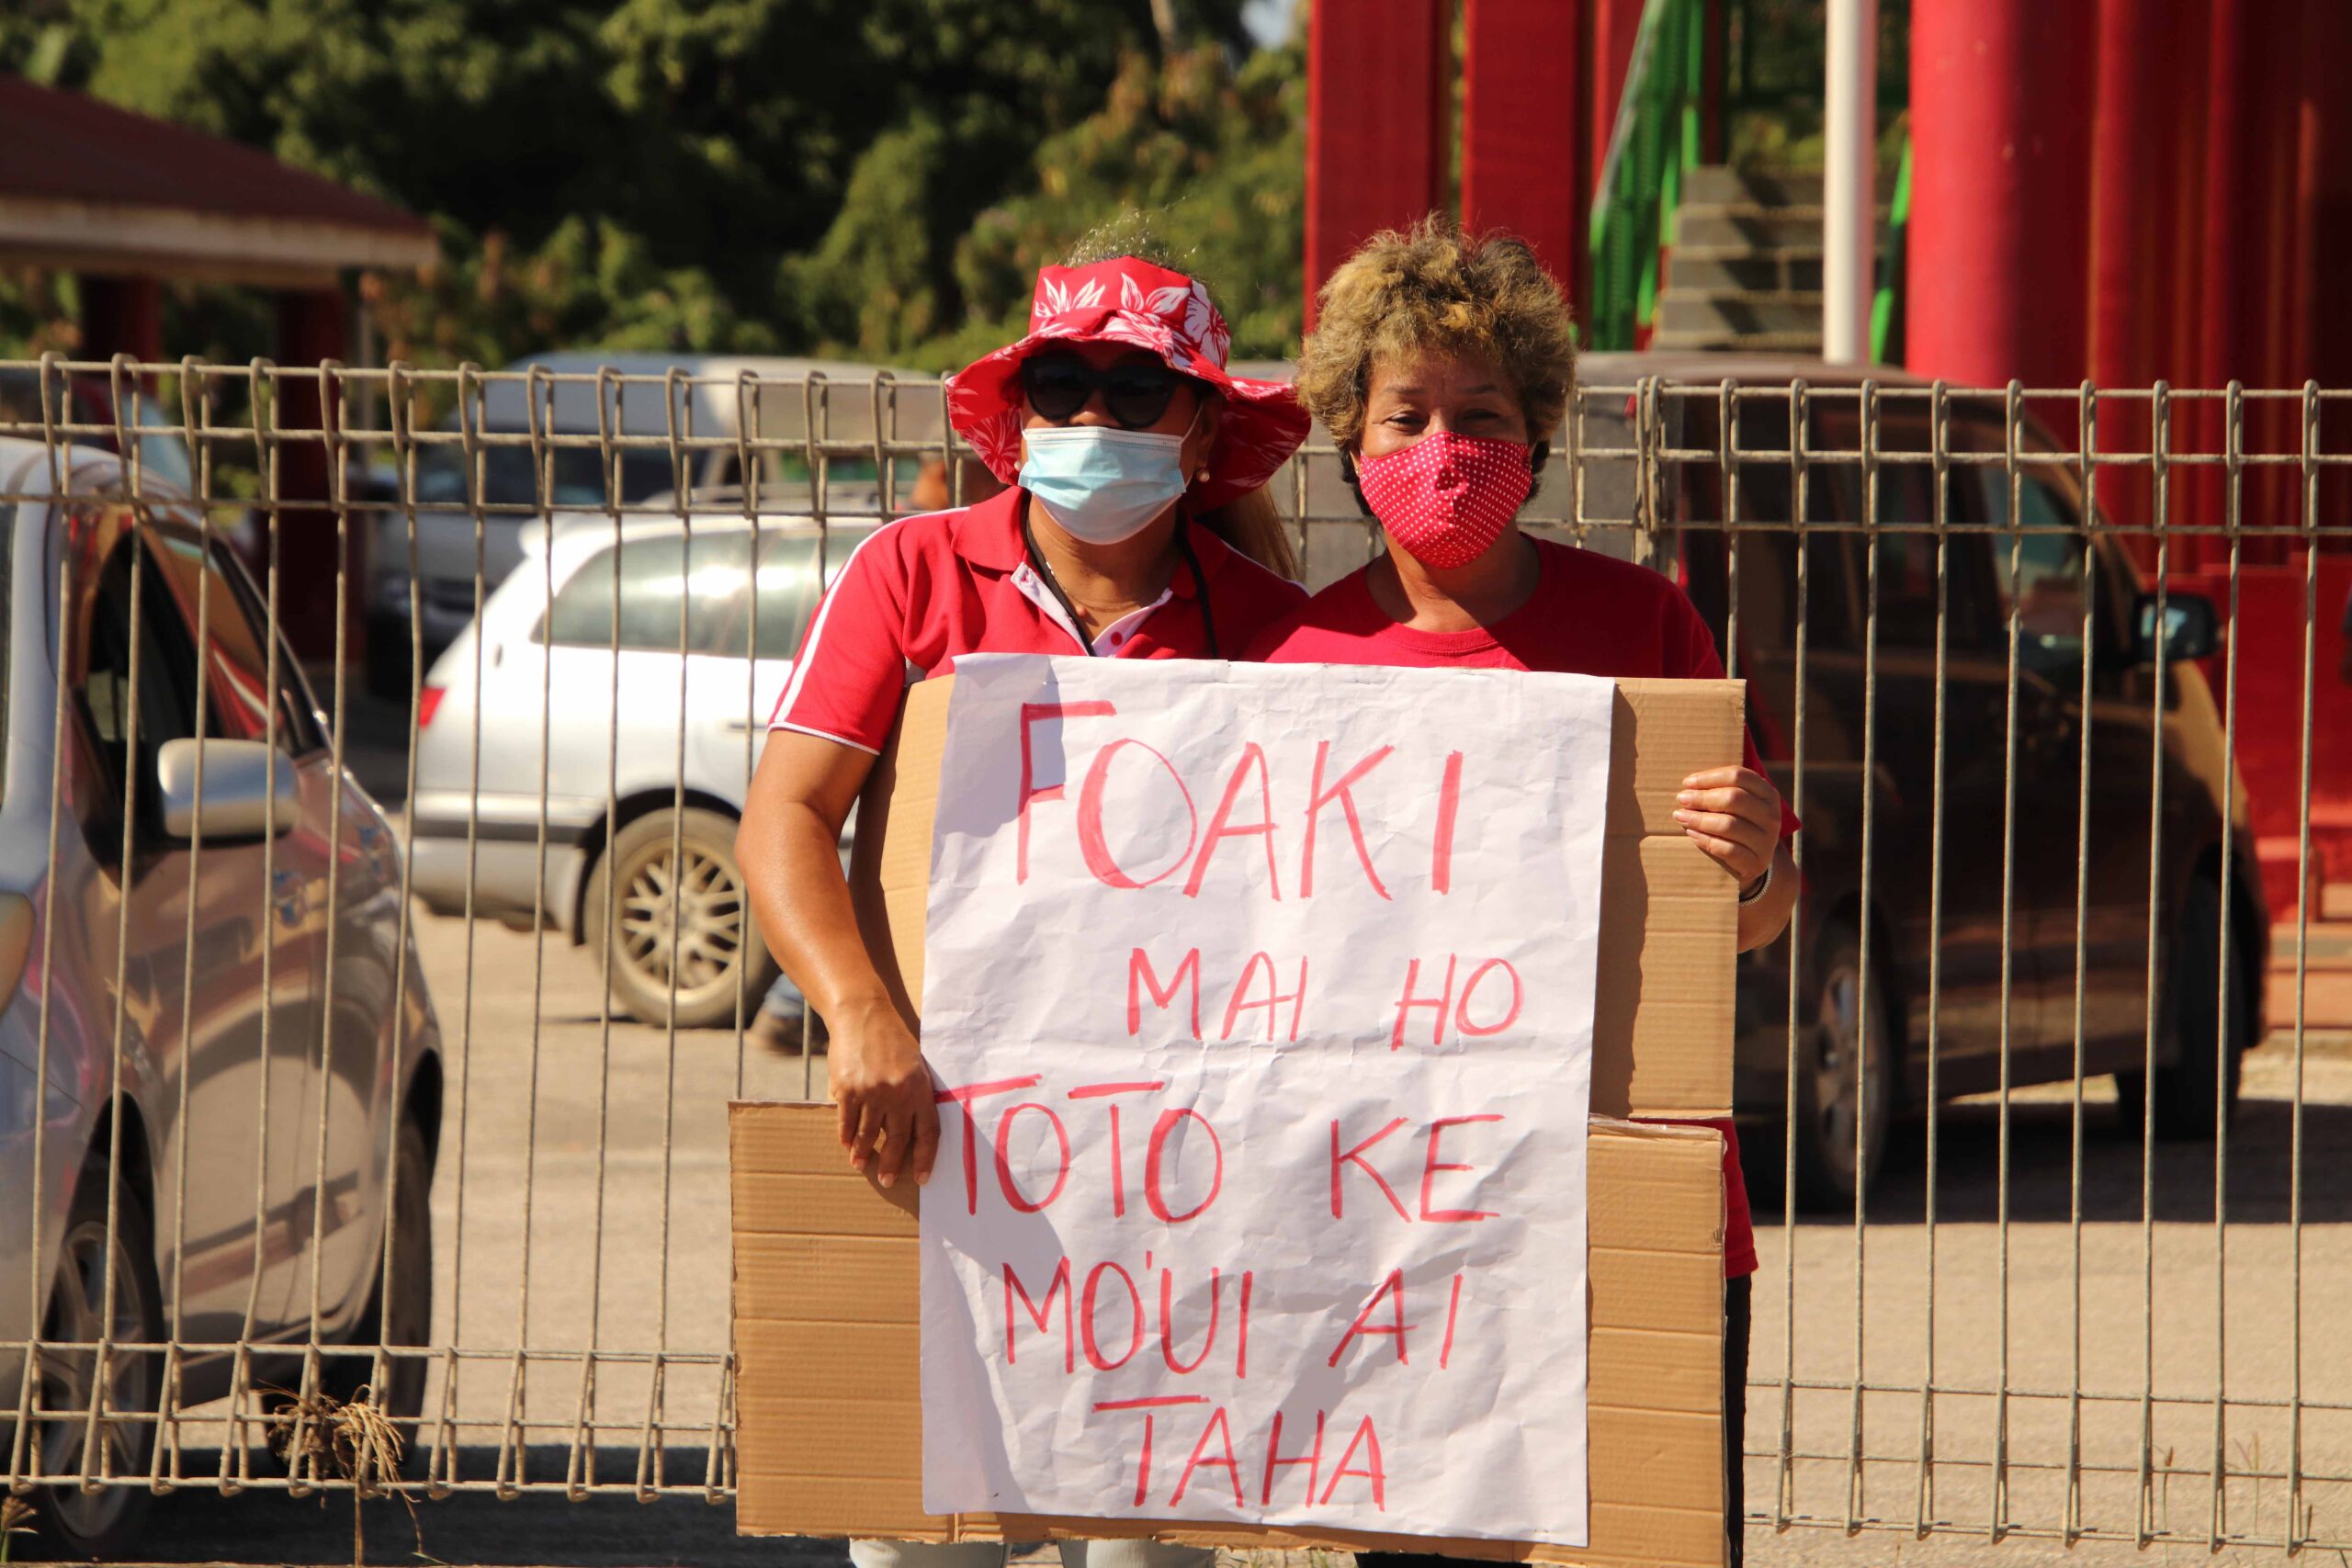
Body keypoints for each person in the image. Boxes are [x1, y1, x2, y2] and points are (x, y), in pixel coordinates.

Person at [733, 231, 1308, 1568]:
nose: (1093, 414)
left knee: (1143, 1553)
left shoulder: (1278, 626)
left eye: (1134, 385)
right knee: (932, 1544)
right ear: (1017, 411)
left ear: (1204, 425)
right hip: (930, 1158)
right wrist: (863, 1018)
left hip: (1177, 1199)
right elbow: (785, 818)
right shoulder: (910, 573)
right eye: (1061, 384)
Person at [1246, 219, 1799, 1568]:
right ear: (1350, 444)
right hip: (1396, 1225)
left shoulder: (1648, 626)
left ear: (1542, 433)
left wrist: (1765, 855)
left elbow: (1753, 916)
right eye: (1407, 415)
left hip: (1629, 1200)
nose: (1444, 448)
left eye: (1481, 413)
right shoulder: (1296, 657)